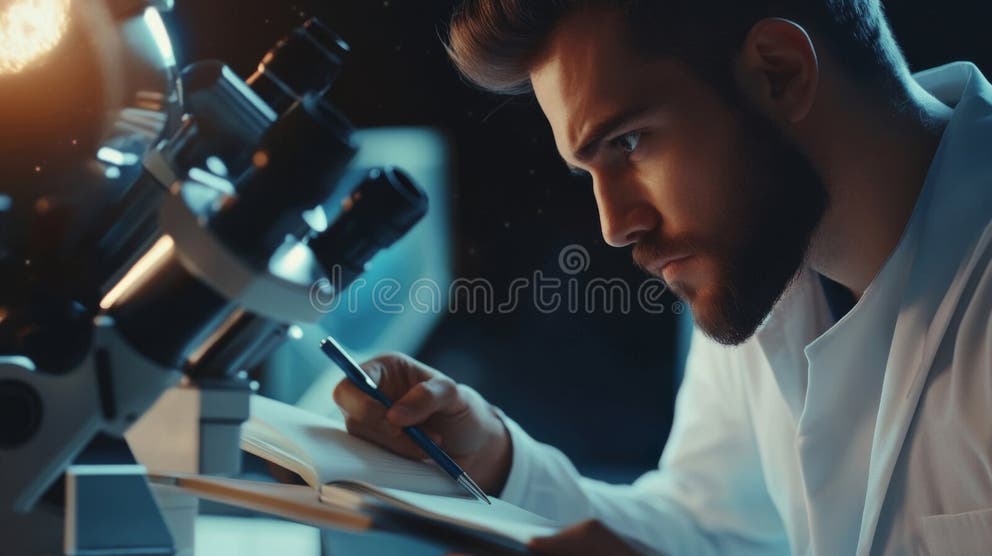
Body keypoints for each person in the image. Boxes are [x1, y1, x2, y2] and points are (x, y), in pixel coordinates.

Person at [332, 1, 992, 554]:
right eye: (587, 169)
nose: (615, 226)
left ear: (779, 73)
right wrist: (495, 464)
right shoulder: (764, 255)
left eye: (629, 142)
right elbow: (715, 532)